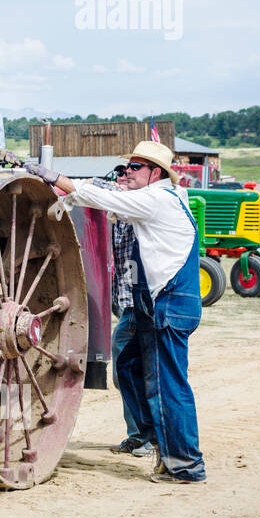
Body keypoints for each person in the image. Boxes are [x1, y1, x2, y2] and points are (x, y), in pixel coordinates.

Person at [27, 140, 205, 484]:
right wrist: (75, 190)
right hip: (156, 303)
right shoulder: (167, 197)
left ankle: (184, 465)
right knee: (127, 363)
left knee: (168, 383)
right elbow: (110, 196)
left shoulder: (155, 200)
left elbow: (106, 199)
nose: (127, 172)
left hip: (167, 303)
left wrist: (55, 177)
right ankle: (151, 437)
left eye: (134, 167)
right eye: (125, 168)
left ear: (155, 173)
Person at [108, 179, 153, 458]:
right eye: (119, 174)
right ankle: (140, 436)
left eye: (130, 172)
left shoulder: (142, 208)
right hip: (129, 302)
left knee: (127, 368)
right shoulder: (122, 213)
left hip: (137, 303)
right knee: (130, 369)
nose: (121, 180)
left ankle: (143, 437)